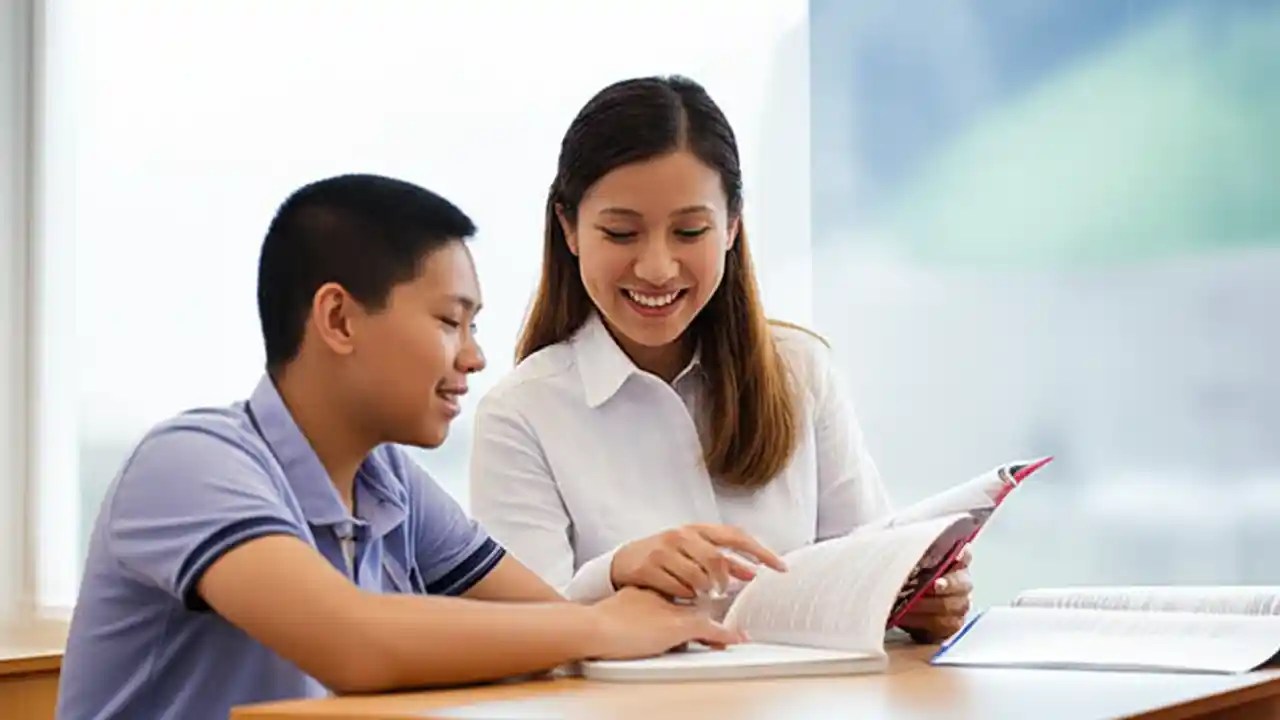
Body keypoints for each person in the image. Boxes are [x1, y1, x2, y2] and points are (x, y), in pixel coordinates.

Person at [56, 174, 742, 720]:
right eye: (450, 321)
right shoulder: (191, 462)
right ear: (339, 319)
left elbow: (548, 625)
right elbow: (352, 643)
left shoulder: (391, 485)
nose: (474, 357)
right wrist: (603, 628)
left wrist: (620, 619)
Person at [469, 76, 972, 643]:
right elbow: (525, 639)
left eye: (689, 231)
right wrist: (612, 571)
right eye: (621, 232)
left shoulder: (799, 370)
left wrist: (918, 604)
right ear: (570, 229)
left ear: (732, 225)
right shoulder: (521, 412)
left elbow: (868, 563)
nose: (657, 267)